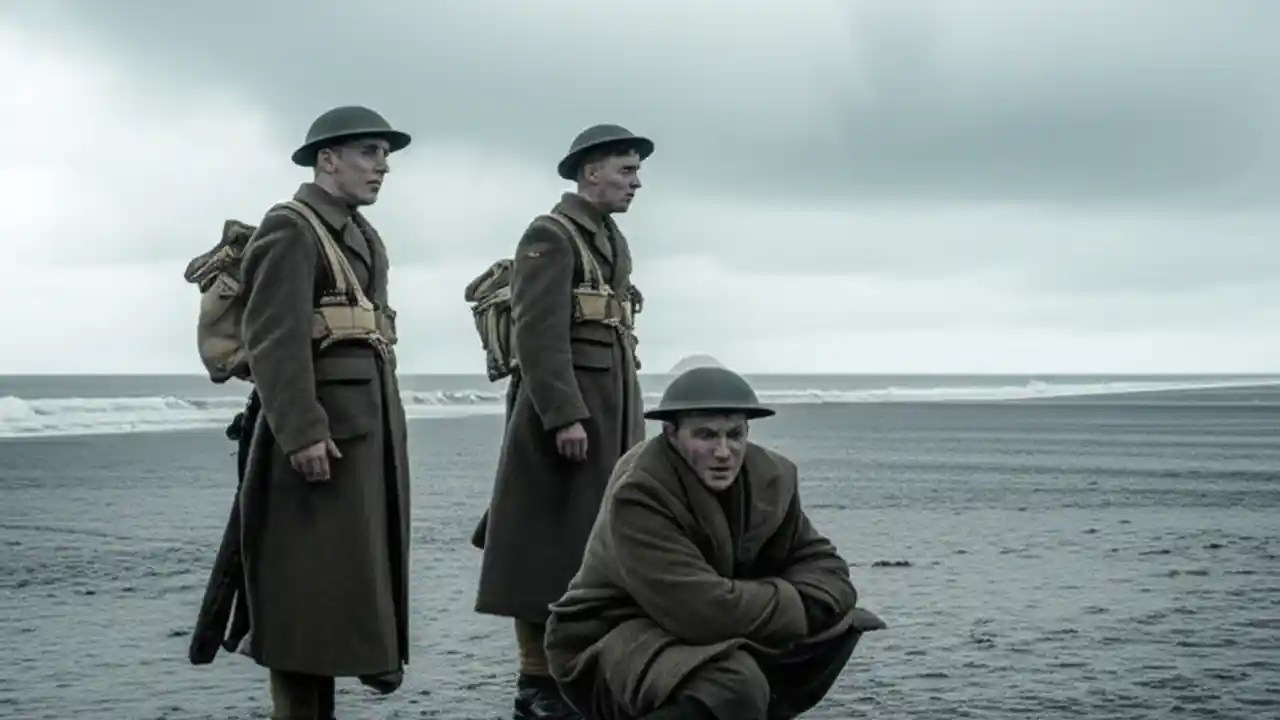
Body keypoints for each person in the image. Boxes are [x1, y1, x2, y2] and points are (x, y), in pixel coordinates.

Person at [197, 105, 414, 720]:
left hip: (364, 439)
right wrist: (302, 434)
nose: (383, 166)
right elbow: (274, 341)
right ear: (328, 160)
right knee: (302, 598)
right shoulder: (292, 228)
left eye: (385, 154)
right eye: (370, 152)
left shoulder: (361, 234)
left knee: (344, 587)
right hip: (316, 444)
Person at [544, 366, 886, 720]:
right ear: (671, 433)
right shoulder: (641, 491)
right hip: (615, 632)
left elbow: (822, 564)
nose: (723, 451)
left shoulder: (772, 477)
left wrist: (806, 604)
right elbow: (699, 608)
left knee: (845, 624)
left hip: (710, 620)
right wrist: (798, 605)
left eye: (734, 434)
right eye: (706, 436)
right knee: (732, 683)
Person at [474, 124, 653, 719]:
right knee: (542, 548)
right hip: (564, 422)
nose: (636, 182)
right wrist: (563, 417)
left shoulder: (608, 237)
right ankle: (536, 681)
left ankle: (580, 673)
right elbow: (537, 333)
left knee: (592, 547)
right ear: (590, 172)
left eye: (635, 171)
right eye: (625, 170)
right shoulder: (549, 235)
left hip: (610, 414)